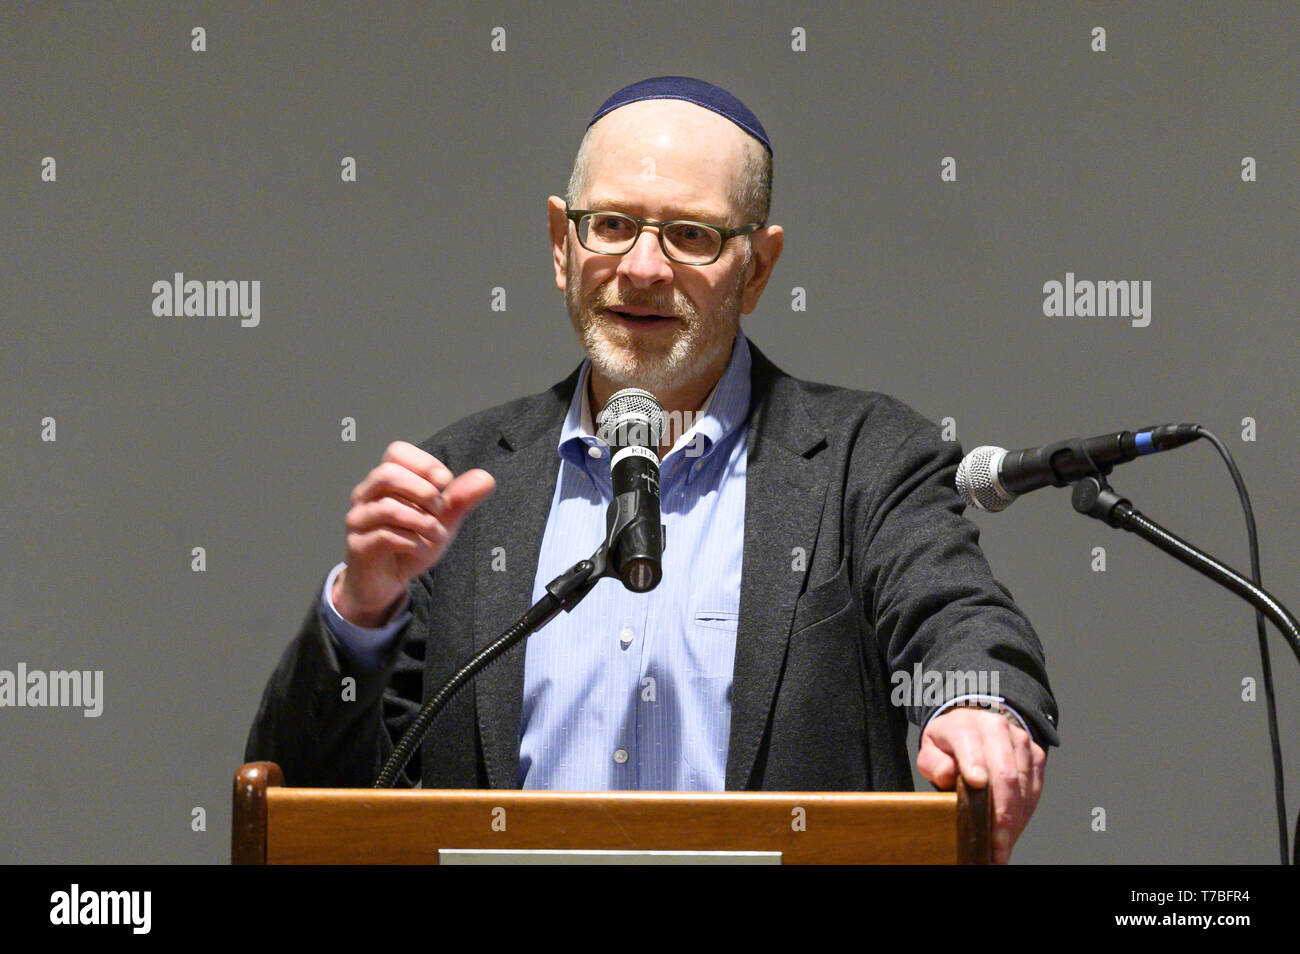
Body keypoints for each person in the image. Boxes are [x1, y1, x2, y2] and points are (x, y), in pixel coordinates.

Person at [245, 76, 1058, 863]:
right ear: (561, 244)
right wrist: (361, 613)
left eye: (691, 235)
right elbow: (310, 806)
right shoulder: (460, 481)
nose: (641, 268)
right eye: (610, 225)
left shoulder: (865, 459)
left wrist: (978, 704)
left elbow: (956, 612)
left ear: (757, 268)